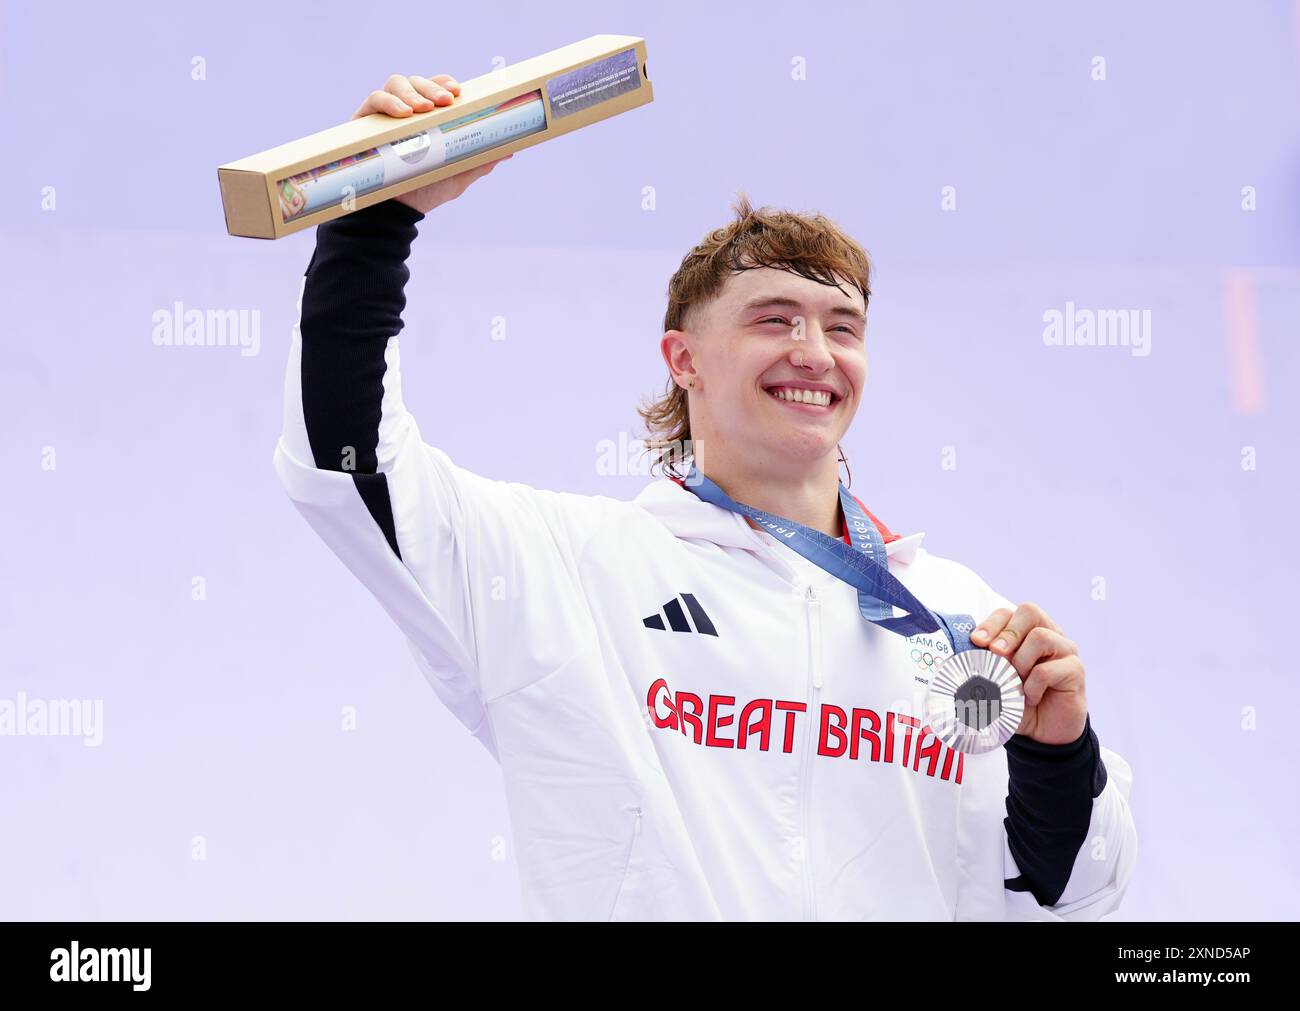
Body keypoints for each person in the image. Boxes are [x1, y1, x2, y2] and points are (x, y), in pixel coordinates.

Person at [272, 72, 1138, 920]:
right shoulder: (566, 569)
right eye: (774, 319)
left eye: (842, 327)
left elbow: (1077, 893)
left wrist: (1058, 752)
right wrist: (377, 221)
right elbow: (351, 468)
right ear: (683, 358)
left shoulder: (961, 619)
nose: (815, 351)